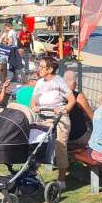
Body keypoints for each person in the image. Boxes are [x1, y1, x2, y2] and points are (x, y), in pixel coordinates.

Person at [31, 56, 75, 189]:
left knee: (60, 146)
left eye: (41, 66)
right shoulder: (40, 82)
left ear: (49, 69)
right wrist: (34, 106)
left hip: (59, 118)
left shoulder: (59, 82)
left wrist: (64, 109)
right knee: (38, 143)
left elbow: (72, 100)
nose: (39, 69)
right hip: (44, 116)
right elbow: (34, 99)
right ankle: (33, 169)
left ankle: (61, 180)